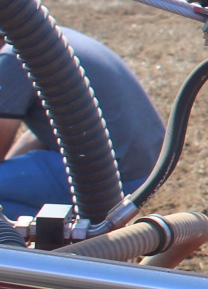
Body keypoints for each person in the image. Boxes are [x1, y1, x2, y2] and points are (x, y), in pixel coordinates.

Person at [0, 29, 164, 214]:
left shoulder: (15, 56)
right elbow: (50, 127)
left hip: (107, 176)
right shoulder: (47, 34)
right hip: (146, 168)